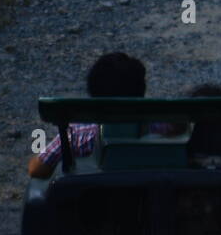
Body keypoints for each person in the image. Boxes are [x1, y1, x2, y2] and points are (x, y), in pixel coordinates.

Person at [26, 51, 157, 179]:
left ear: (94, 93)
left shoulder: (79, 134)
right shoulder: (158, 127)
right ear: (141, 90)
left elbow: (37, 169)